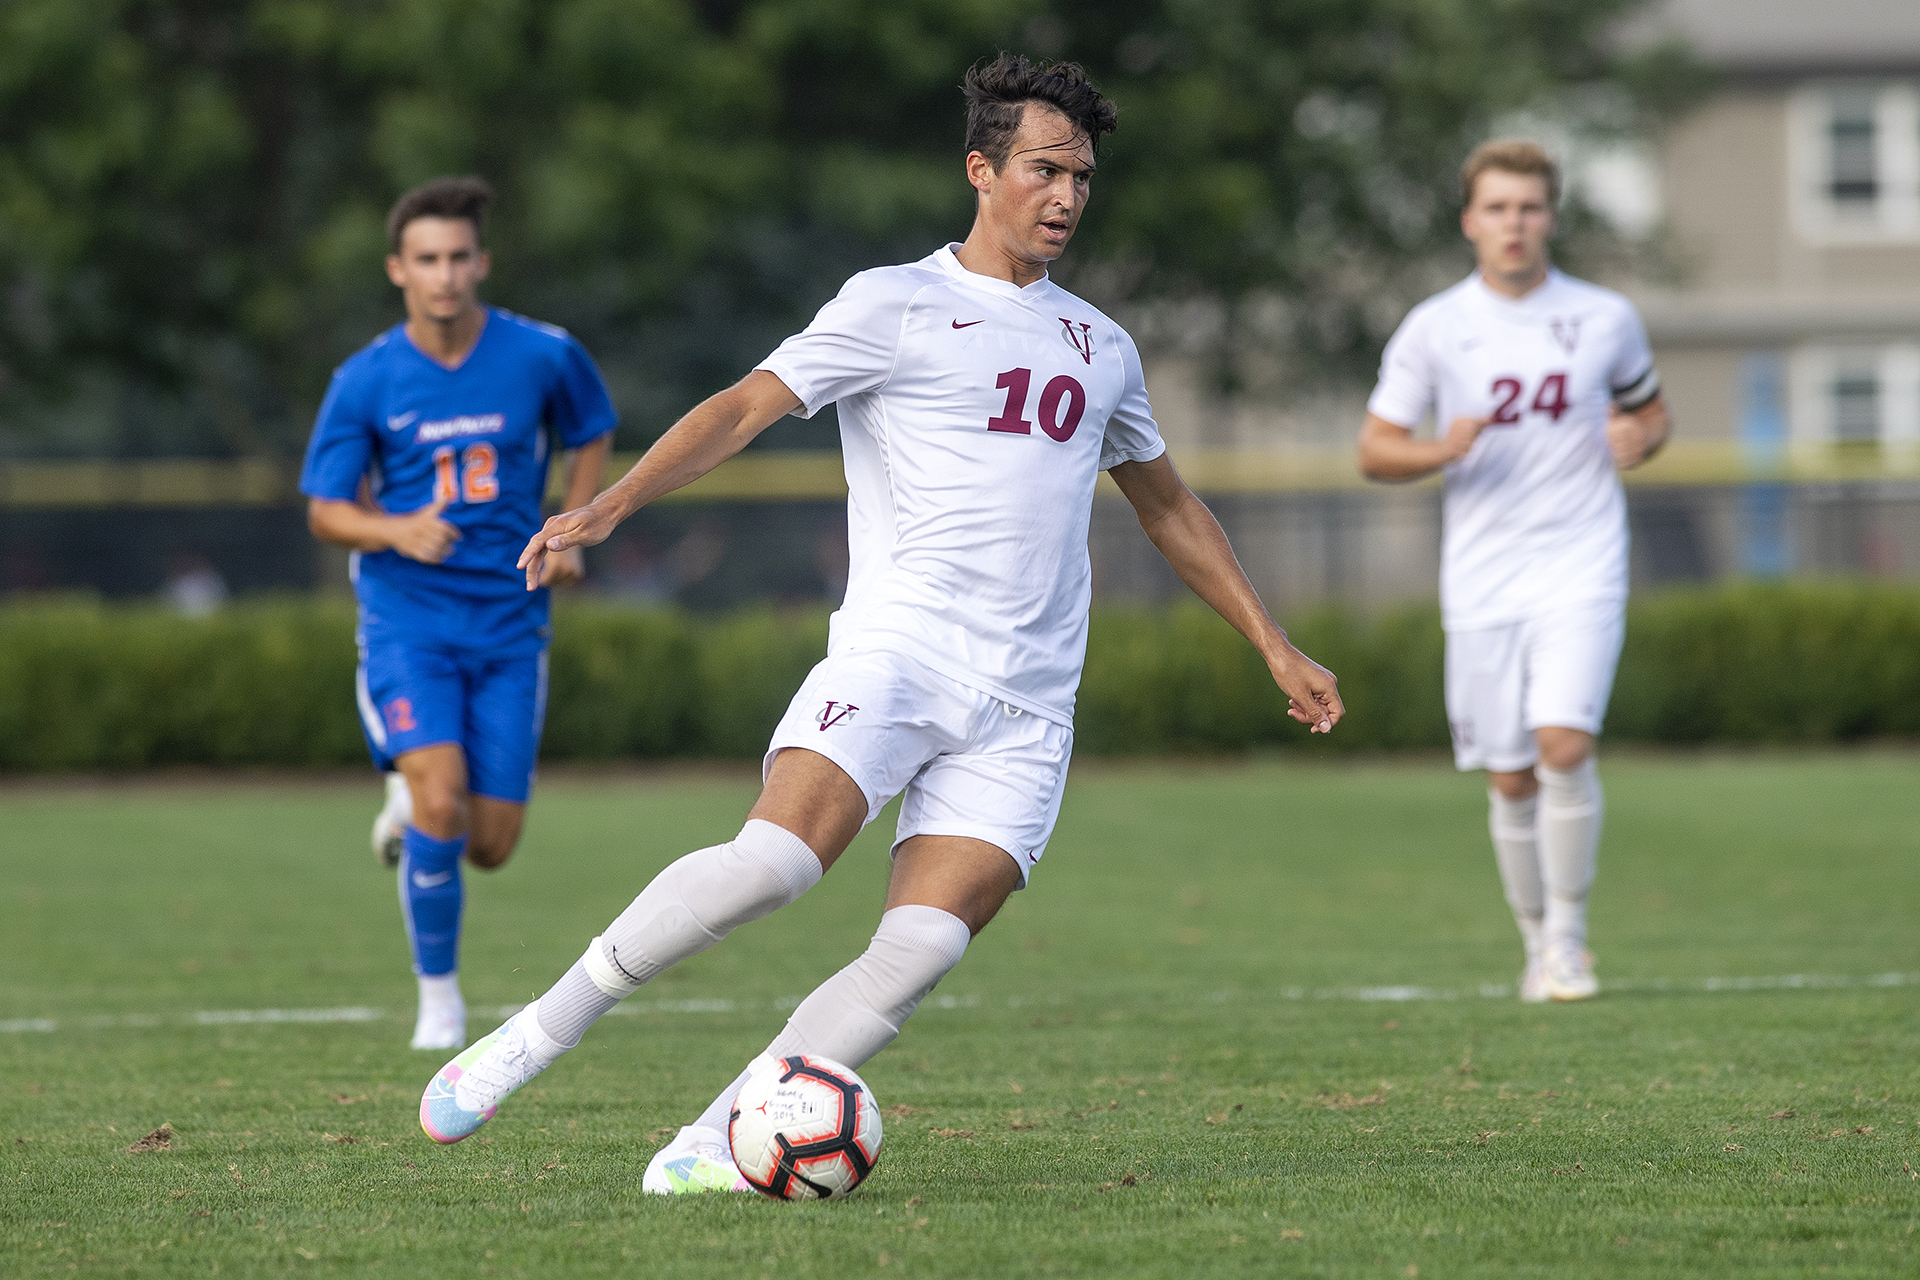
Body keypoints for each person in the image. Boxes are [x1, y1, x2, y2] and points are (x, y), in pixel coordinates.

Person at [416, 54, 1344, 1188]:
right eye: (1045, 169)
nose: (1065, 197)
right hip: (899, 653)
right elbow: (747, 405)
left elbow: (1168, 505)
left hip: (1028, 703)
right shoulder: (894, 302)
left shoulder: (1104, 347)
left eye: (1083, 177)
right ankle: (535, 1033)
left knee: (920, 947)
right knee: (770, 866)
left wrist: (1272, 640)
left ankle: (715, 1139)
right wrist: (609, 502)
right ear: (981, 169)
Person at [300, 176, 617, 1049]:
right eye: (426, 260)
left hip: (512, 626)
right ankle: (439, 1000)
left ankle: (410, 808)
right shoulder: (365, 379)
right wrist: (396, 528)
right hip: (410, 624)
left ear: (482, 262)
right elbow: (326, 509)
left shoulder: (544, 354)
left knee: (490, 843)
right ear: (398, 269)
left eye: (457, 258)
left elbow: (592, 428)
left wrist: (571, 524)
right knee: (443, 805)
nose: (444, 275)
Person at [1357, 139, 1669, 1003]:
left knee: (1565, 744)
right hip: (1485, 576)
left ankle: (1568, 940)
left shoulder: (1604, 317)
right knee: (1510, 773)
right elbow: (1375, 450)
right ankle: (1534, 945)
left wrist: (1641, 439)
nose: (1514, 224)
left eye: (1529, 208)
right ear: (1470, 221)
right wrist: (1436, 449)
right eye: (1497, 208)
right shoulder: (1436, 325)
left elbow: (1652, 413)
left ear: (1551, 218)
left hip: (1583, 561)